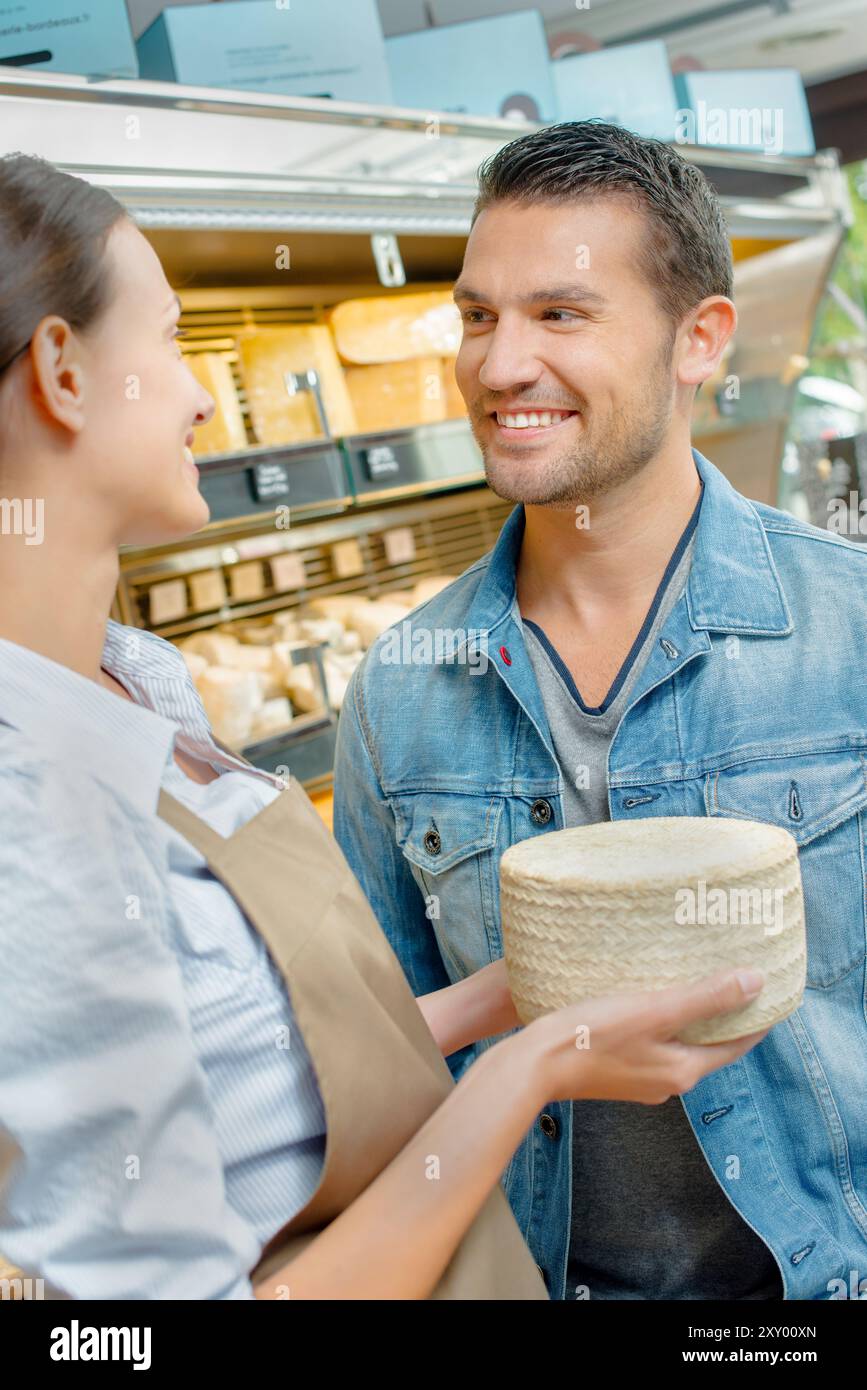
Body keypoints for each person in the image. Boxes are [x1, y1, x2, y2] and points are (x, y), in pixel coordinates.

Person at [0, 153, 770, 1302]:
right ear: (62, 373)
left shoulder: (137, 683)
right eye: (167, 341)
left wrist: (521, 985)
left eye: (561, 310)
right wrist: (534, 1065)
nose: (204, 392)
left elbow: (276, 1069)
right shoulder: (36, 802)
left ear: (699, 338)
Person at [333, 121, 867, 1301]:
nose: (500, 364)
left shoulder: (851, 629)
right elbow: (381, 1077)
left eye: (560, 315)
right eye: (478, 316)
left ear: (700, 340)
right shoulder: (401, 690)